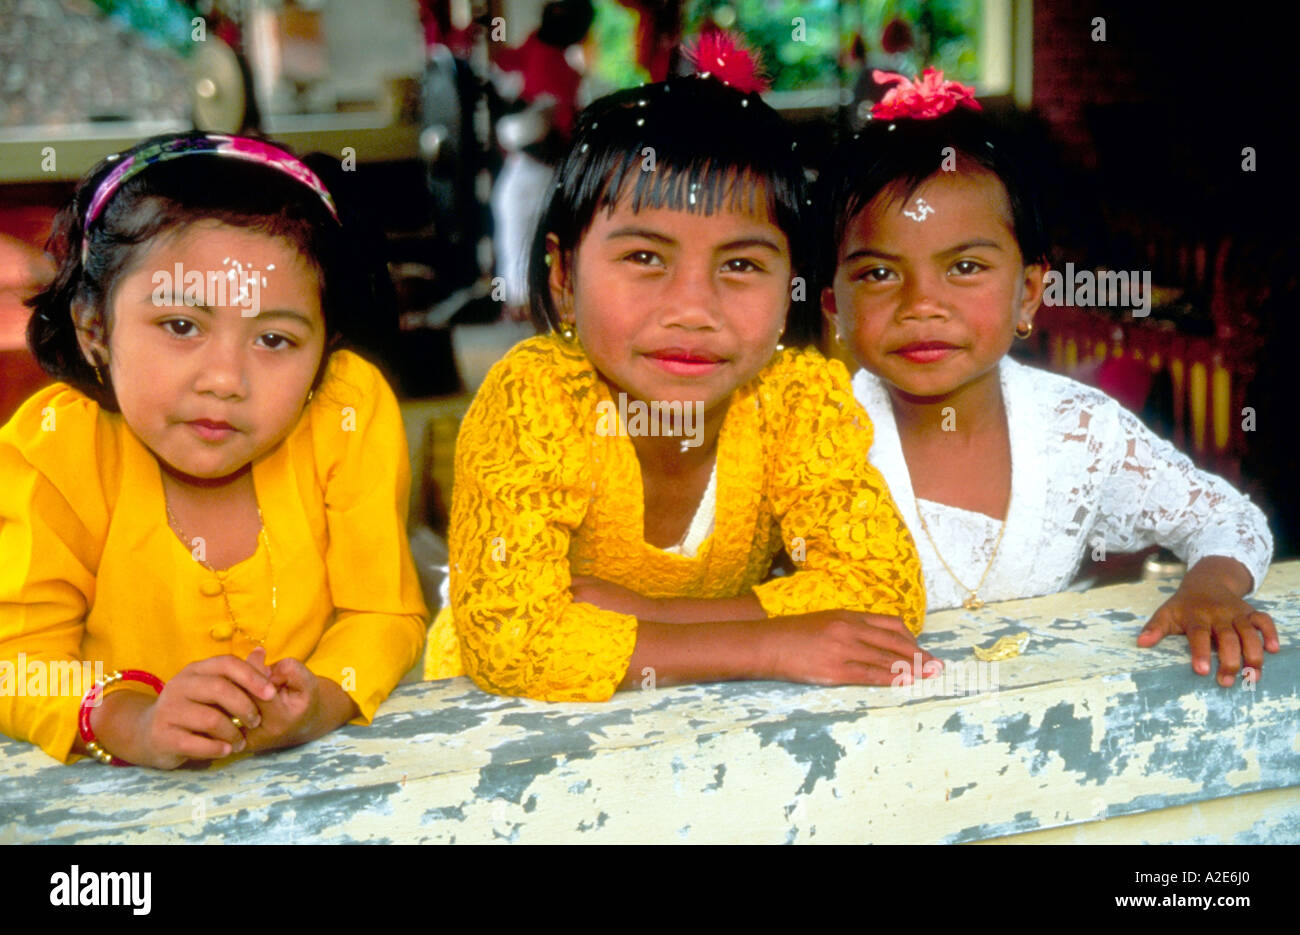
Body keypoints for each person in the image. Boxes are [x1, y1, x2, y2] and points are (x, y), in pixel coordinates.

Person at [425, 34, 932, 701]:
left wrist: (646, 614)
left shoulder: (794, 398)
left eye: (741, 265)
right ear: (564, 274)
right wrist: (773, 641)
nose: (693, 308)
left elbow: (882, 590)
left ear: (792, 287)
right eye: (644, 257)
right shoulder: (535, 401)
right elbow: (515, 640)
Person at [819, 70, 1279, 686]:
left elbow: (1228, 518)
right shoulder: (812, 436)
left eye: (964, 266)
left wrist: (1211, 588)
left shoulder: (1077, 429)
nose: (921, 304)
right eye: (879, 274)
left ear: (1029, 293)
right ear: (833, 309)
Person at [0, 132, 427, 767]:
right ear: (96, 331)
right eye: (181, 326)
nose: (225, 379)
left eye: (275, 340)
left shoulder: (345, 410)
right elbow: (18, 662)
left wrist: (322, 700)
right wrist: (132, 722)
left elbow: (383, 612)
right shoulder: (55, 448)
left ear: (324, 349)